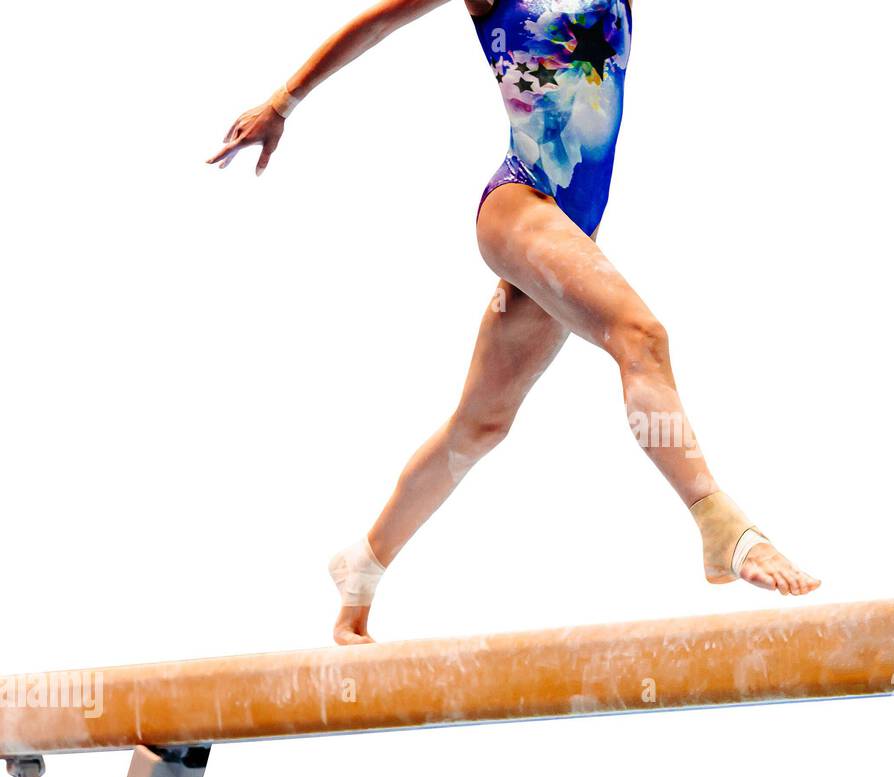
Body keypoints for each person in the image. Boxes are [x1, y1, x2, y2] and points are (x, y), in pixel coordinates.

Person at [208, 0, 820, 645]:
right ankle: (719, 524)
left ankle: (362, 564)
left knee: (481, 425)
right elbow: (380, 20)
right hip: (519, 206)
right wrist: (283, 103)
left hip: (565, 232)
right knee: (641, 338)